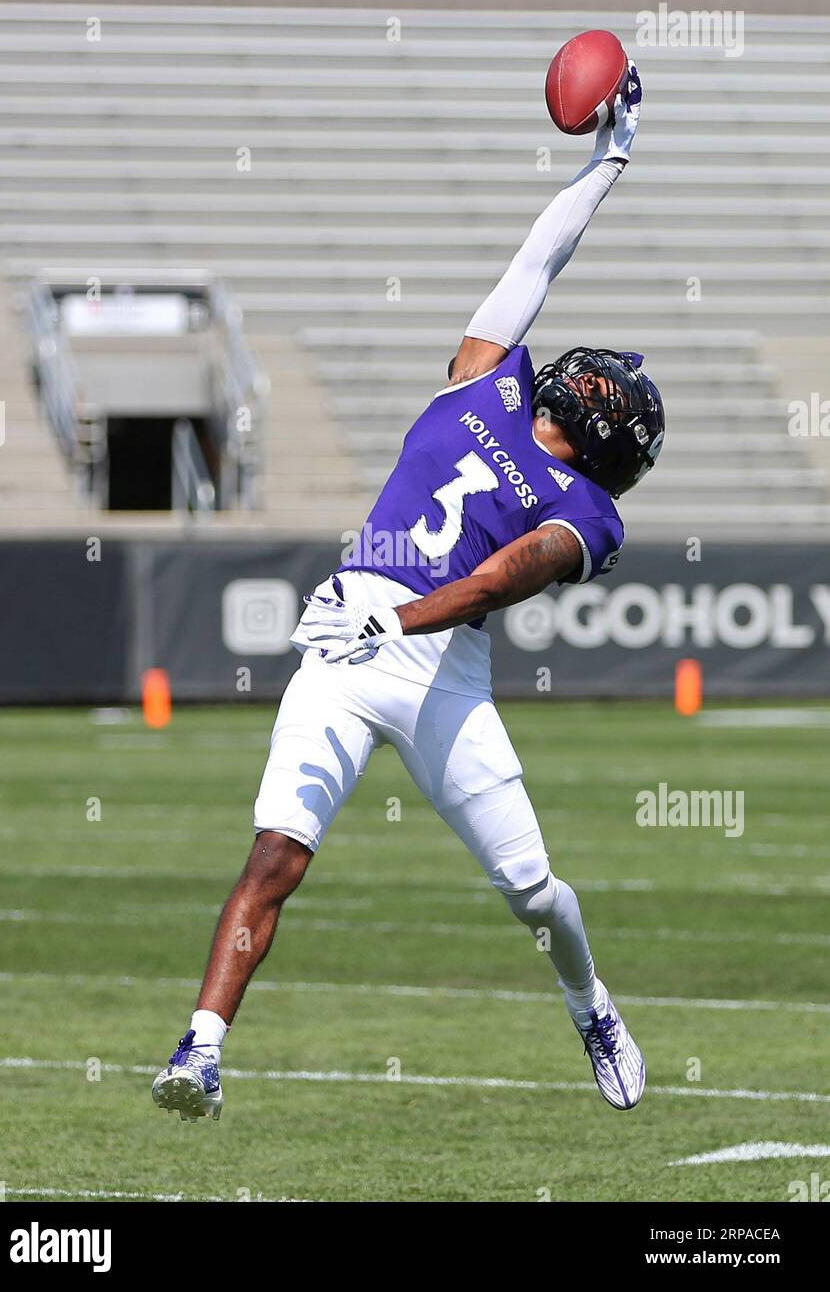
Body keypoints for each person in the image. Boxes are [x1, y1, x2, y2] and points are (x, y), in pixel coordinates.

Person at [152, 62, 664, 1122]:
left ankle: (591, 1002)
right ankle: (200, 1049)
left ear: (608, 427)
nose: (599, 366)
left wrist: (396, 614)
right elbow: (540, 255)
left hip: (439, 665)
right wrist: (607, 161)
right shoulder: (489, 377)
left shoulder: (587, 510)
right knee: (276, 851)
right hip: (349, 635)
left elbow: (492, 579)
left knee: (533, 893)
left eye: (616, 380)